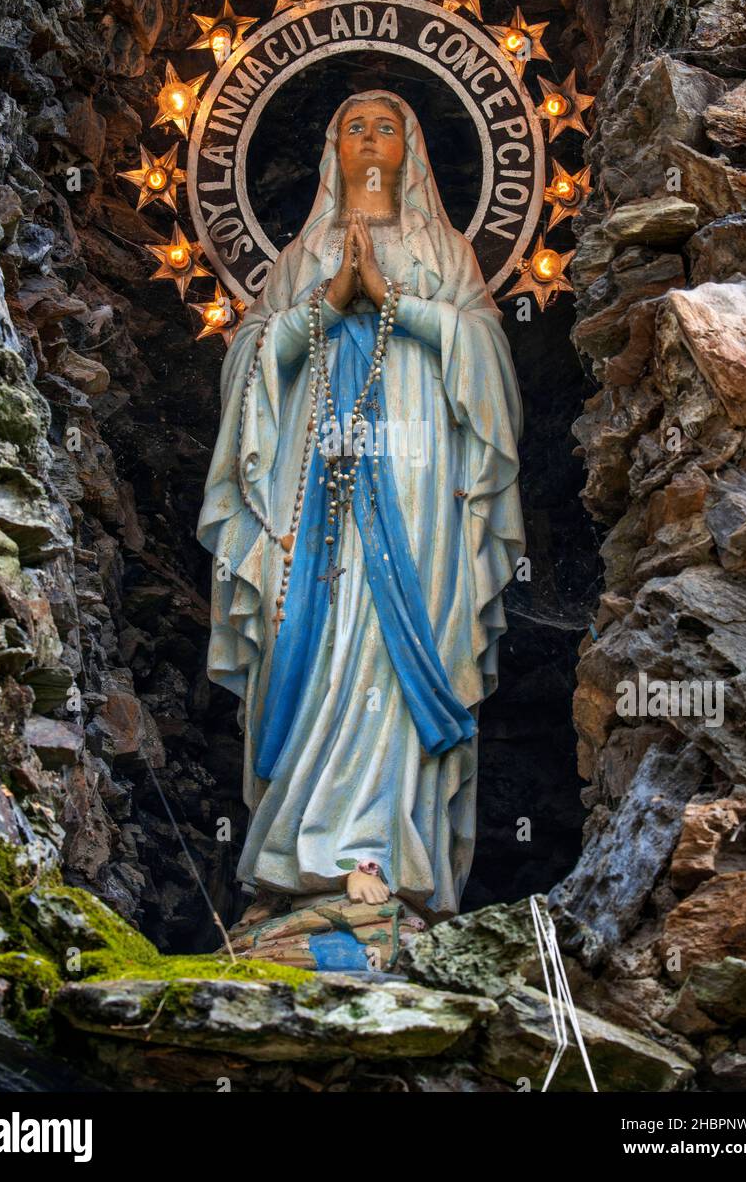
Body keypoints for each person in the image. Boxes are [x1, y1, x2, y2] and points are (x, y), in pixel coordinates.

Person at [197, 90, 525, 928]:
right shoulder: (297, 257)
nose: (370, 140)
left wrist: (398, 302)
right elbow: (245, 370)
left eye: (387, 127)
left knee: (390, 640)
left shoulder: (446, 250)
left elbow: (490, 368)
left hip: (417, 489)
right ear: (330, 153)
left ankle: (383, 849)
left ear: (411, 150)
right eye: (353, 127)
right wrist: (328, 302)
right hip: (309, 497)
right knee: (313, 637)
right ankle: (293, 861)